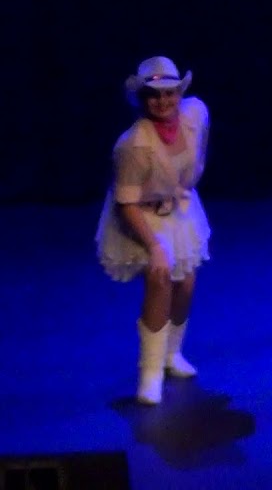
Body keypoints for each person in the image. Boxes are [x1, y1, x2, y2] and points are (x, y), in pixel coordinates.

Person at [96, 57, 211, 405]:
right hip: (143, 216)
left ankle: (171, 353)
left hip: (178, 208)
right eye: (154, 96)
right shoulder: (133, 145)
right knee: (160, 279)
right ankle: (149, 373)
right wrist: (155, 246)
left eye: (170, 93)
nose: (163, 102)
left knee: (186, 283)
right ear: (142, 100)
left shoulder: (195, 115)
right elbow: (126, 203)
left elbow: (195, 158)